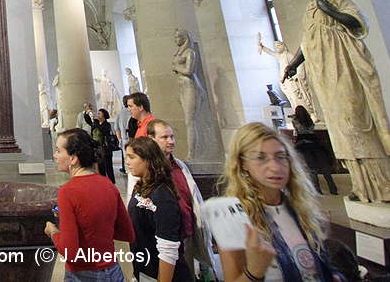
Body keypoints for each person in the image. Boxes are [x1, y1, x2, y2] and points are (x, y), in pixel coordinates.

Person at [284, 0, 390, 209]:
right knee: (341, 127)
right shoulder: (308, 9)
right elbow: (307, 41)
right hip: (324, 74)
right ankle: (363, 185)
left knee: (358, 120)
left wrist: (332, 12)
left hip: (343, 65)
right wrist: (293, 63)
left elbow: (357, 23)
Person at [216, 122, 338, 282]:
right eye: (260, 158)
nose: (275, 167)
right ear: (243, 163)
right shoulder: (232, 219)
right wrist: (254, 271)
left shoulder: (301, 208)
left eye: (280, 157)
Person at [45, 128, 134, 282]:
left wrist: (53, 231)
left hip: (83, 273)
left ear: (73, 158)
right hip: (112, 270)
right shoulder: (108, 184)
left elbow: (70, 252)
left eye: (59, 151)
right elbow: (126, 233)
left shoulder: (68, 192)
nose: (55, 155)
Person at [146, 119, 221, 280]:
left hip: (187, 234)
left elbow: (192, 198)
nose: (171, 141)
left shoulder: (180, 166)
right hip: (163, 239)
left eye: (172, 137)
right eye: (165, 137)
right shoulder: (146, 170)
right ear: (151, 139)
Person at [126, 136, 192, 282]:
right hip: (145, 268)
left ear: (148, 160)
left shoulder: (162, 196)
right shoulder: (142, 185)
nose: (127, 162)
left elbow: (168, 248)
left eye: (132, 157)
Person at [289, 106, 338, 196]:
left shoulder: (295, 121)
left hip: (303, 144)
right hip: (315, 143)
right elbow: (311, 129)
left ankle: (317, 190)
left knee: (312, 169)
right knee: (324, 168)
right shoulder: (310, 120)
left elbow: (297, 131)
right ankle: (333, 189)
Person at [84, 107, 118, 183]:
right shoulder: (95, 123)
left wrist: (95, 122)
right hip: (97, 148)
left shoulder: (107, 124)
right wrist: (87, 112)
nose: (97, 115)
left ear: (104, 115)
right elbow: (87, 119)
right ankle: (103, 181)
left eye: (99, 113)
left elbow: (102, 130)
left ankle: (111, 182)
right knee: (100, 166)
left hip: (106, 148)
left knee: (108, 167)